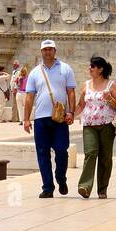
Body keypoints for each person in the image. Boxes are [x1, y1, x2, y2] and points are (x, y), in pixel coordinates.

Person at [23, 39, 77, 198]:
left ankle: (61, 177)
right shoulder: (34, 72)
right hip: (40, 118)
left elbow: (71, 92)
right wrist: (26, 119)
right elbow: (29, 97)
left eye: (50, 49)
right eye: (45, 50)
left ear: (55, 51)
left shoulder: (65, 69)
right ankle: (47, 187)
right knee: (42, 152)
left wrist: (71, 112)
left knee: (61, 150)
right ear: (41, 52)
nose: (47, 52)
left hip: (59, 118)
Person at [74, 56, 116, 199]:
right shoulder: (86, 85)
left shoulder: (111, 85)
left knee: (105, 157)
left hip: (106, 125)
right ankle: (84, 186)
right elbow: (81, 105)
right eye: (90, 66)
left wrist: (110, 99)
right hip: (89, 125)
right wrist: (71, 116)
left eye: (92, 66)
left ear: (100, 69)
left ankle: (102, 189)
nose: (90, 68)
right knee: (90, 153)